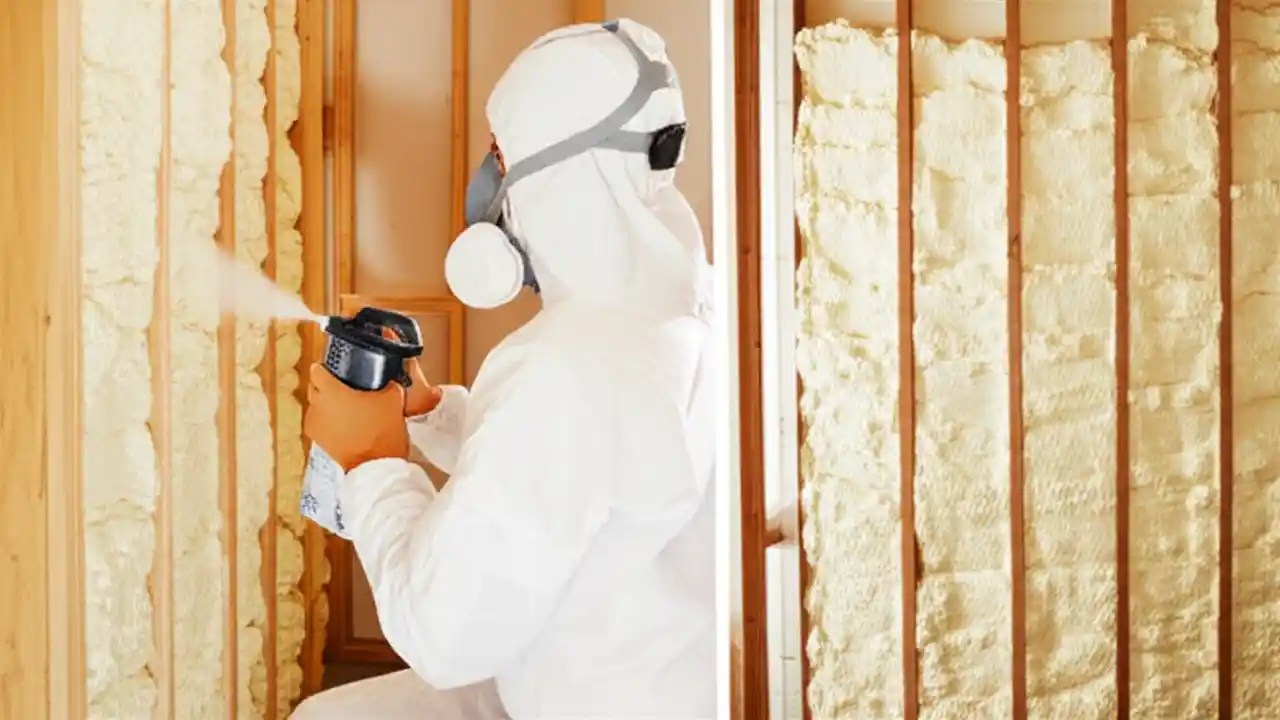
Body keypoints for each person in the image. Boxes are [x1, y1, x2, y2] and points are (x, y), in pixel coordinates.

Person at [292, 18, 715, 719]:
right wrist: (435, 417)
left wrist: (370, 461)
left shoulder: (567, 367)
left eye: (499, 152)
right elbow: (581, 477)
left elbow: (439, 634)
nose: (487, 177)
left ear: (558, 174)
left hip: (569, 694)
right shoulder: (682, 308)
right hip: (635, 676)